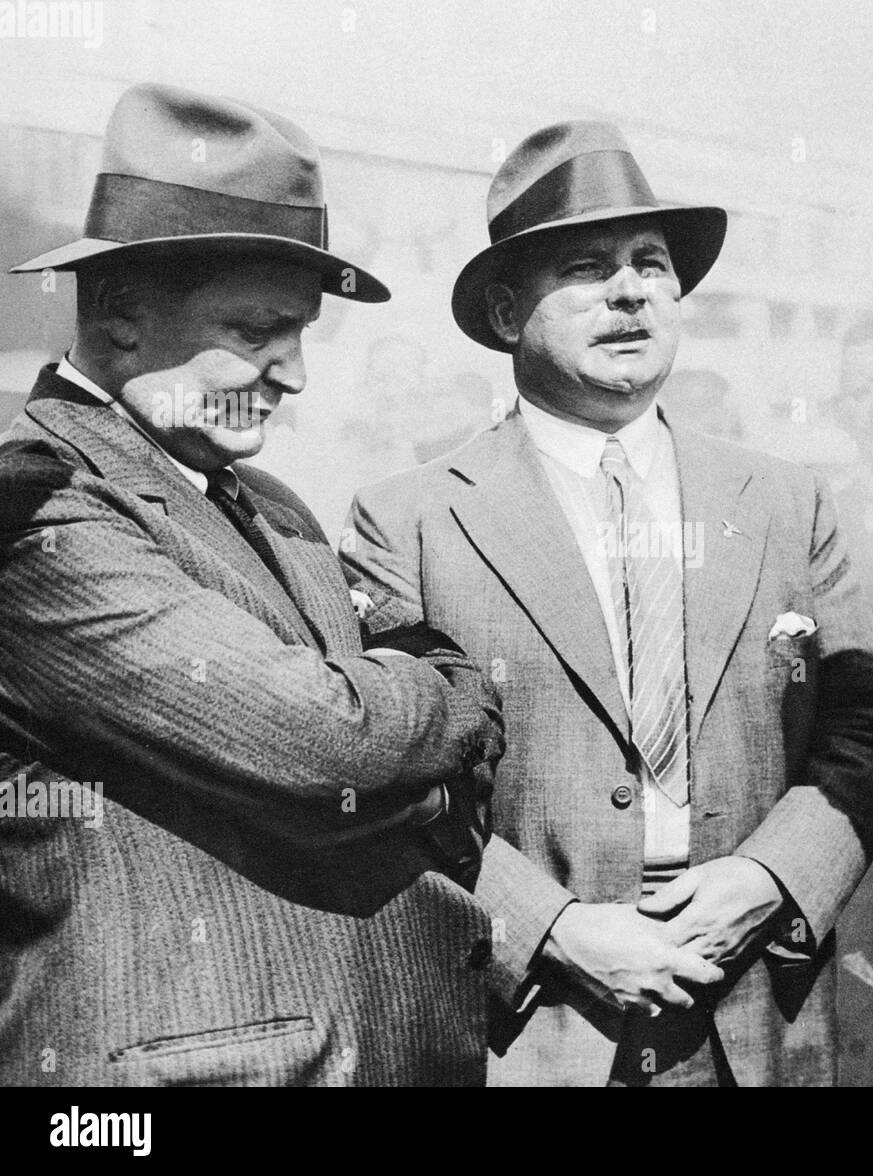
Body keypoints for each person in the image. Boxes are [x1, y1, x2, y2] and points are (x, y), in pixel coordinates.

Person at [343, 121, 873, 1086]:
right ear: (502, 311)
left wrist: (768, 879)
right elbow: (396, 790)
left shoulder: (782, 499)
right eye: (586, 266)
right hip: (537, 1029)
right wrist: (557, 931)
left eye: (652, 263)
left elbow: (871, 725)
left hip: (749, 1018)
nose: (632, 290)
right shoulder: (407, 518)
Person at [0, 84, 503, 1086]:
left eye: (302, 332)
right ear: (122, 316)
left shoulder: (269, 501)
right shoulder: (37, 507)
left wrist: (390, 736)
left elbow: (395, 709)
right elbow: (324, 746)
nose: (295, 373)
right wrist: (444, 710)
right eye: (255, 330)